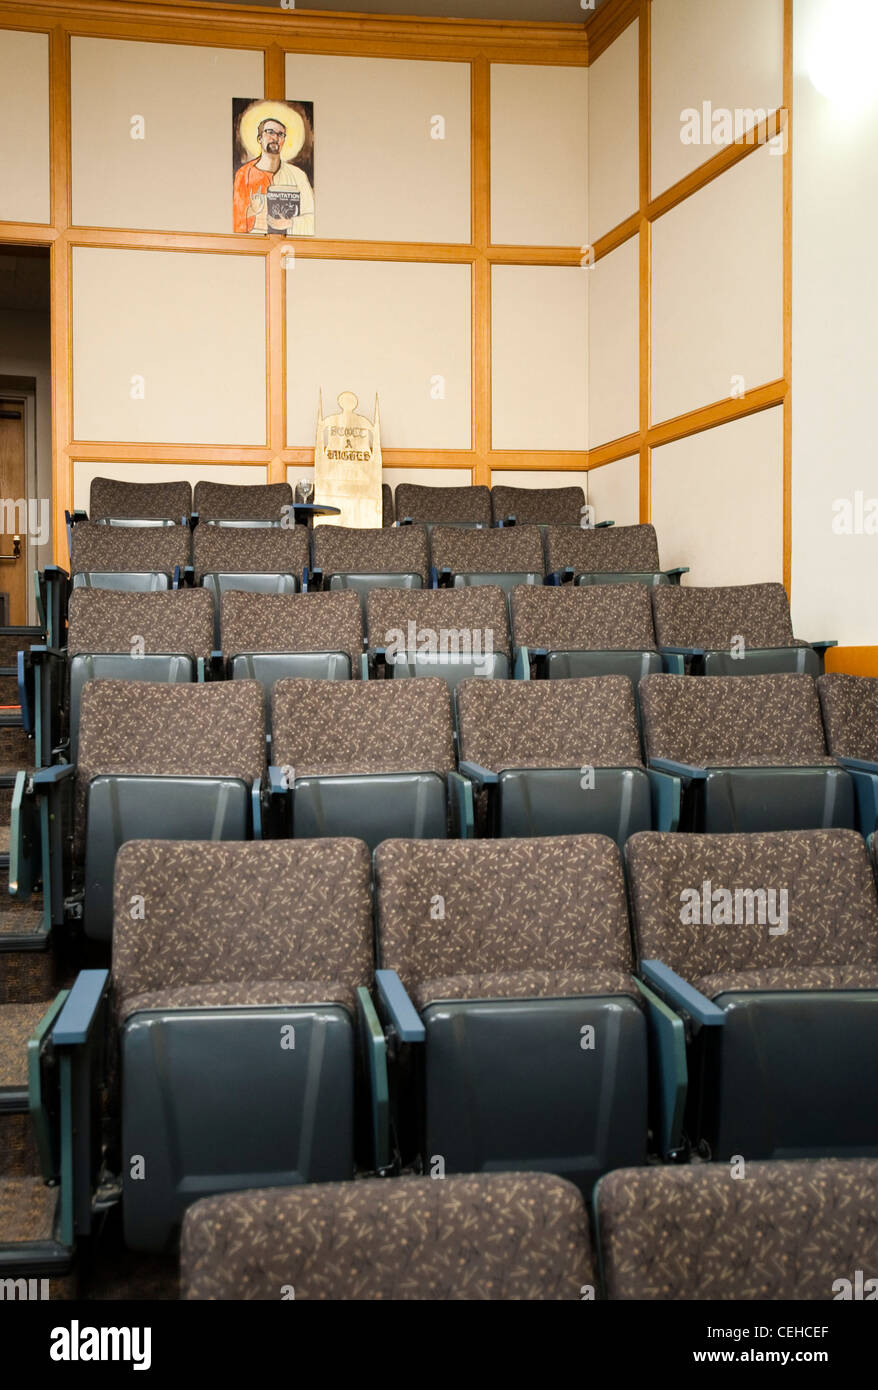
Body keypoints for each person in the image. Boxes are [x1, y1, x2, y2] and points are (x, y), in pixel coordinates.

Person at [233, 117, 314, 235]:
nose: (275, 138)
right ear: (260, 138)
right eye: (270, 132)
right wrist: (252, 211)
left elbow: (312, 218)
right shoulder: (244, 174)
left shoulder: (298, 175)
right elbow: (235, 221)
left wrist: (290, 223)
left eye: (281, 134)